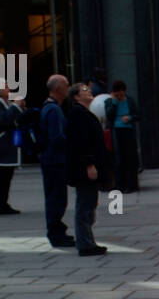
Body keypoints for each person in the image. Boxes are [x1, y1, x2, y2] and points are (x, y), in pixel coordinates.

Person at [65, 82, 110, 256]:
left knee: (89, 204)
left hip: (88, 166)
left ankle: (88, 241)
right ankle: (85, 244)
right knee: (85, 205)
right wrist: (89, 164)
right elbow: (81, 143)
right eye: (84, 90)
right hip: (84, 168)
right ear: (76, 96)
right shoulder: (78, 114)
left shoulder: (85, 113)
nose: (89, 91)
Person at [39, 74, 74, 247]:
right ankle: (56, 234)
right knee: (57, 198)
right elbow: (57, 137)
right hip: (54, 161)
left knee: (56, 197)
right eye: (66, 85)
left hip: (51, 160)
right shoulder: (53, 110)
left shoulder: (50, 107)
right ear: (58, 88)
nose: (68, 88)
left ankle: (58, 231)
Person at [0, 81, 24, 218]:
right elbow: (3, 119)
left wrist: (18, 108)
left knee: (6, 176)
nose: (8, 89)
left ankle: (2, 204)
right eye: (5, 86)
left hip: (6, 145)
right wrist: (15, 107)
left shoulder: (5, 102)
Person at [105, 81, 141, 192]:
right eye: (117, 94)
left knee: (129, 157)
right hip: (116, 130)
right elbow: (109, 115)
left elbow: (137, 115)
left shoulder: (130, 100)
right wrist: (115, 103)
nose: (119, 96)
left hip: (128, 130)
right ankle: (120, 184)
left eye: (121, 94)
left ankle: (130, 184)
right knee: (118, 158)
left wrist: (129, 118)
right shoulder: (110, 101)